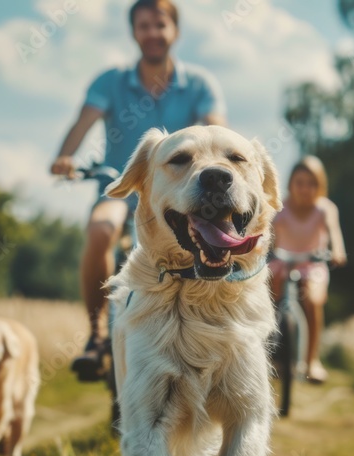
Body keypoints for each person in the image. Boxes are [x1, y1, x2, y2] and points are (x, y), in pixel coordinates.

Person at [50, 0, 226, 377]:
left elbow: (216, 130)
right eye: (143, 25)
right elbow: (84, 122)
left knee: (210, 242)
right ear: (133, 33)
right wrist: (66, 155)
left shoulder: (199, 85)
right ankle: (97, 333)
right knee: (100, 230)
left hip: (178, 198)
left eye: (159, 25)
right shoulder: (110, 81)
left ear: (175, 31)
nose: (152, 33)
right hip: (122, 189)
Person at [269, 155, 347, 384]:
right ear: (290, 184)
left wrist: (338, 251)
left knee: (313, 300)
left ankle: (312, 361)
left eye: (312, 184)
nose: (305, 189)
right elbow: (267, 235)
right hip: (283, 261)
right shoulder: (280, 209)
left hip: (312, 264)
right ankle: (271, 351)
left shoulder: (325, 209)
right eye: (300, 183)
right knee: (269, 294)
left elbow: (335, 233)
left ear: (320, 185)